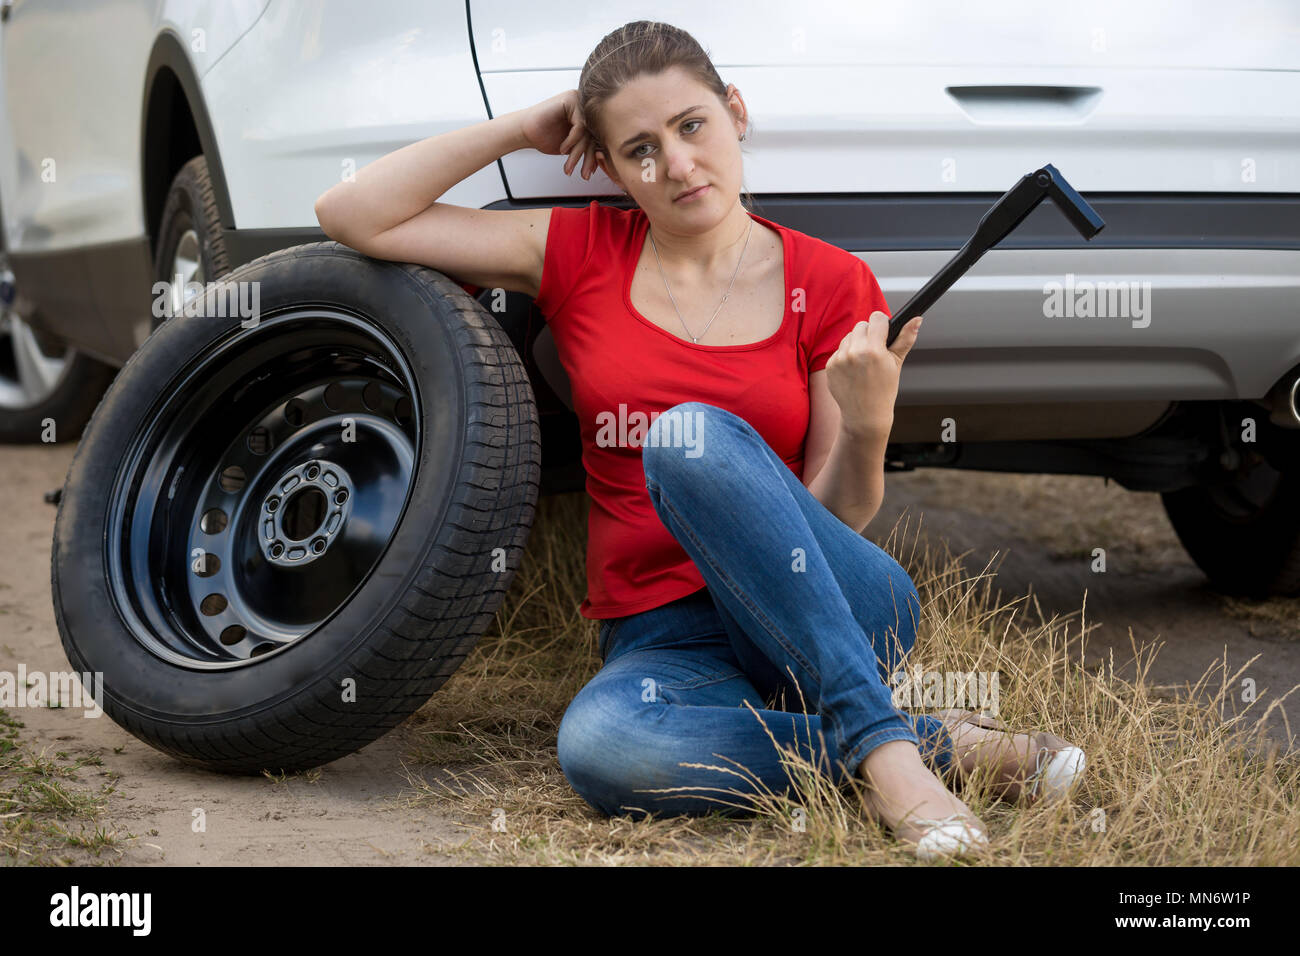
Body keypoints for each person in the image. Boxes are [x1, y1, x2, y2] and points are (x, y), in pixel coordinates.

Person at [314, 19, 1086, 861]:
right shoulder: (577, 250)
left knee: (685, 436)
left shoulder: (830, 282)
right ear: (607, 167)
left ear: (736, 113)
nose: (676, 165)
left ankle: (887, 755)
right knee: (604, 747)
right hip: (664, 637)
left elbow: (840, 518)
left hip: (827, 605)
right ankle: (942, 747)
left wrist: (868, 421)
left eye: (692, 126)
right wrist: (520, 127)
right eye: (638, 149)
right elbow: (353, 214)